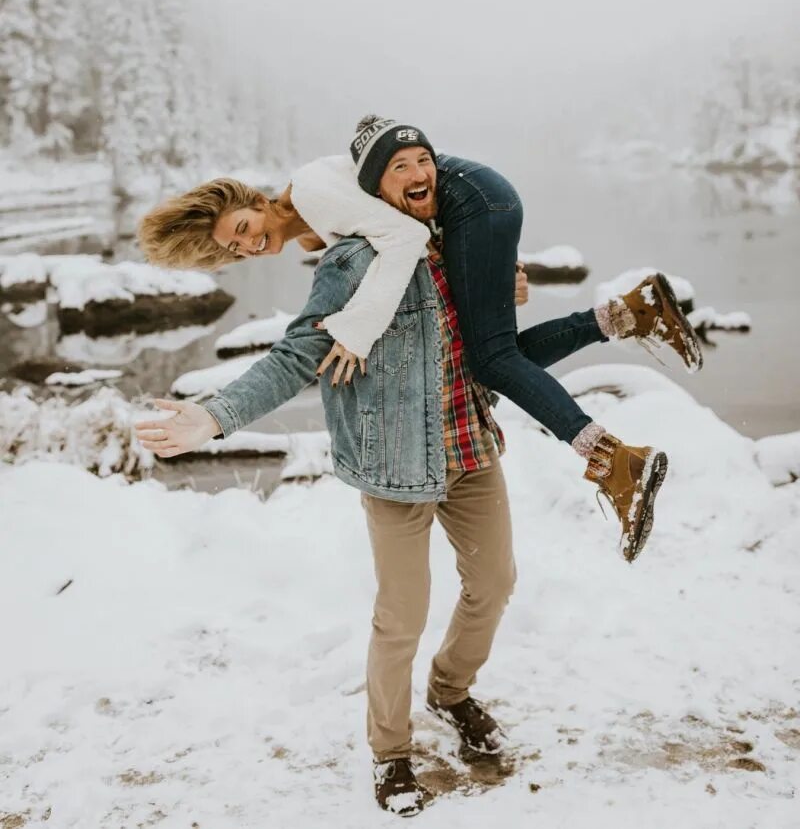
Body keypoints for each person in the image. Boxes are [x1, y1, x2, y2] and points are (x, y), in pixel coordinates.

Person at [138, 114, 702, 563]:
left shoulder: (310, 192)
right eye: (234, 250)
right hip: (472, 201)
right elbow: (414, 237)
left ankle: (612, 460)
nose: (249, 245)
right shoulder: (314, 229)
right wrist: (489, 277)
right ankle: (628, 314)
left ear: (257, 201)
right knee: (491, 358)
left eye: (243, 228)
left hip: (471, 199)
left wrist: (355, 333)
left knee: (495, 357)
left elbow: (404, 235)